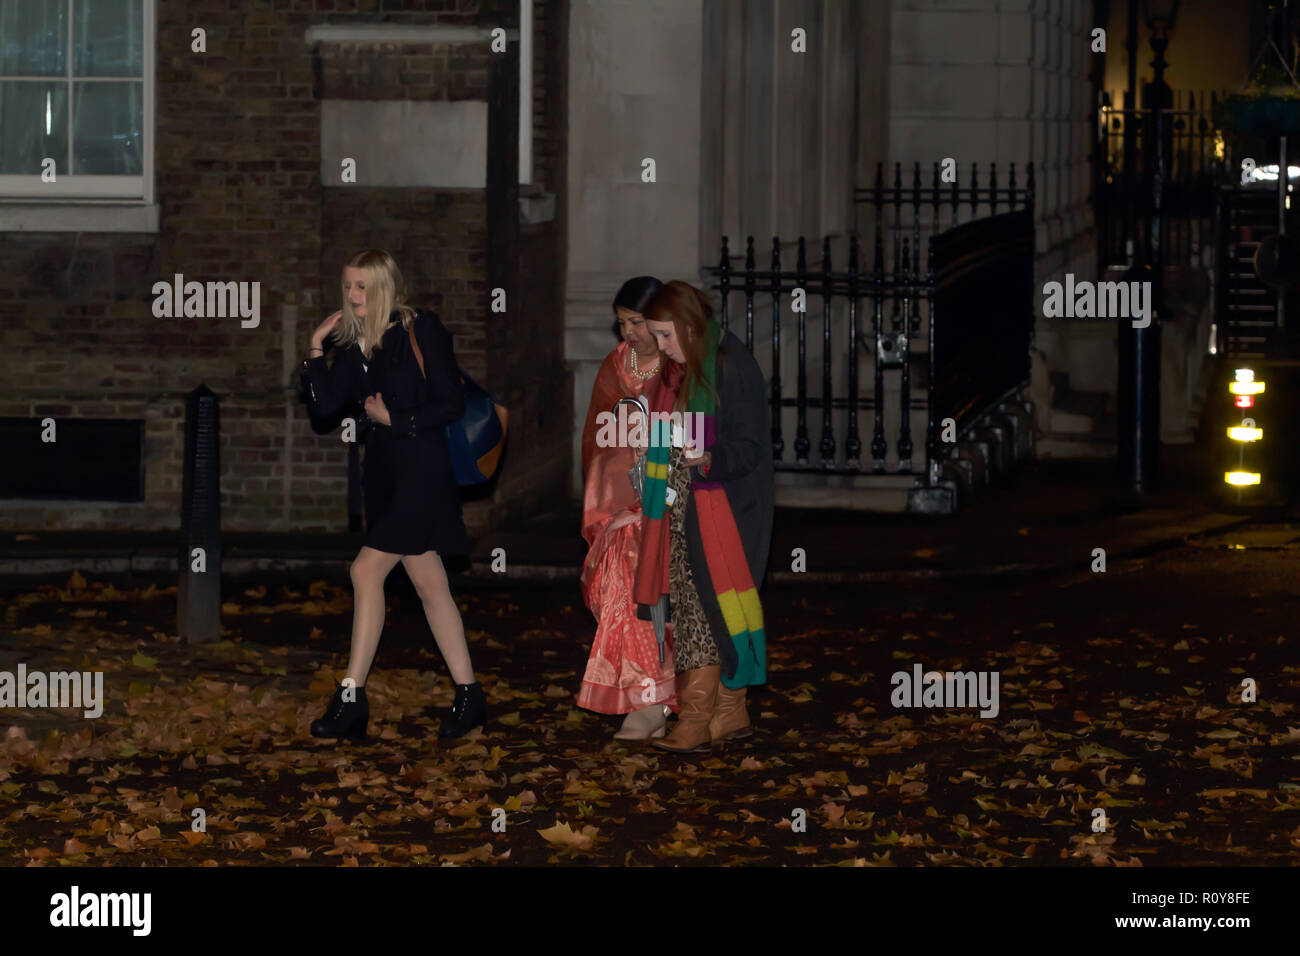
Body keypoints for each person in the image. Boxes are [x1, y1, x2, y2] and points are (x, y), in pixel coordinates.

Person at [300, 249, 486, 741]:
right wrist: (317, 348)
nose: (352, 295)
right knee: (431, 586)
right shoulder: (353, 343)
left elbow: (450, 402)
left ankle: (351, 698)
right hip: (383, 475)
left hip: (422, 470)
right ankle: (469, 695)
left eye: (362, 286)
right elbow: (323, 411)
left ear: (385, 286)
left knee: (364, 570)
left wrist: (394, 420)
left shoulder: (419, 328)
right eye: (348, 286)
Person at [633, 280, 774, 753]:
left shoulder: (733, 365)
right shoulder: (686, 368)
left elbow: (752, 448)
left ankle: (698, 718)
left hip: (728, 513)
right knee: (697, 610)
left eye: (666, 335)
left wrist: (708, 458)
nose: (662, 347)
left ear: (691, 326)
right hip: (686, 508)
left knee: (712, 612)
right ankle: (728, 713)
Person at [577, 277, 680, 739]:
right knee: (611, 591)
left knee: (646, 591)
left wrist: (658, 450)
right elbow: (597, 438)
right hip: (621, 502)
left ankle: (653, 701)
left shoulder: (679, 366)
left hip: (669, 502)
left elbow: (698, 432)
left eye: (636, 322)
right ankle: (641, 696)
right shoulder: (615, 365)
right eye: (621, 323)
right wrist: (623, 451)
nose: (629, 333)